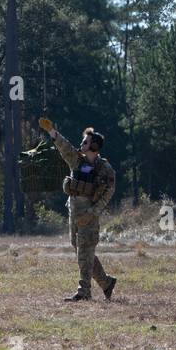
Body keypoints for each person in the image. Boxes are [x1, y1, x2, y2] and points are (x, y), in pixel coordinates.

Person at [39, 117, 117, 302]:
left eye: (85, 142)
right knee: (83, 251)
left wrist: (92, 213)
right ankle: (106, 283)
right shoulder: (77, 161)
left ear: (95, 146)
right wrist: (52, 132)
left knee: (84, 251)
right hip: (74, 213)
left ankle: (84, 292)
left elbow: (108, 193)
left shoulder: (104, 169)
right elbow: (65, 148)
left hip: (89, 216)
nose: (81, 144)